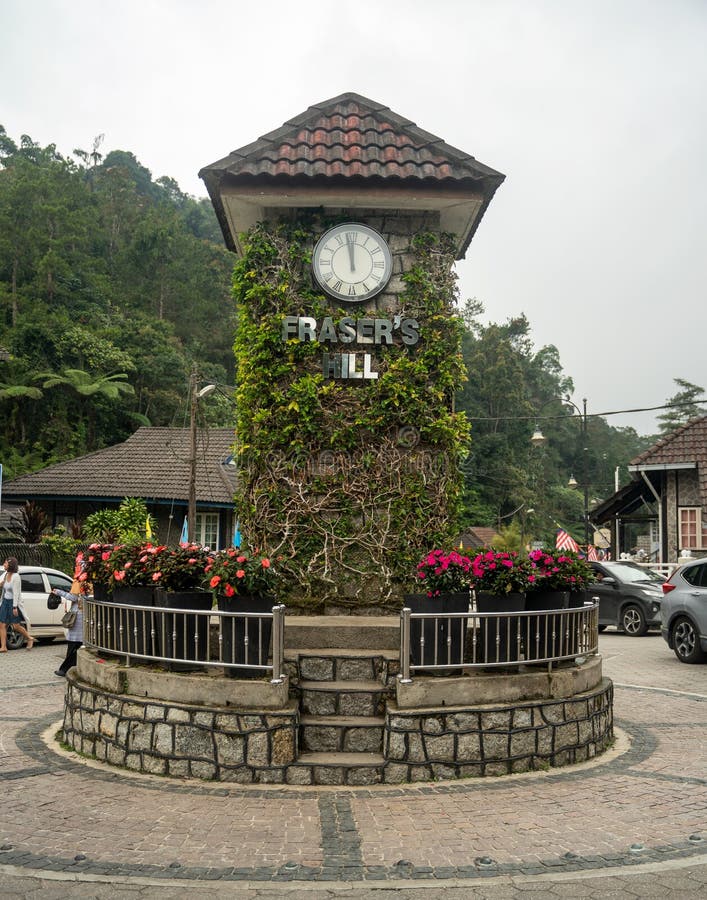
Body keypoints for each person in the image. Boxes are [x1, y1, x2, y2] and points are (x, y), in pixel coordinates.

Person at [51, 578, 85, 676]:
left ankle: (65, 669)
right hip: (83, 614)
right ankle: (67, 669)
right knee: (77, 644)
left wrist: (59, 592)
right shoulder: (89, 580)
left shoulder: (79, 581)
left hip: (78, 615)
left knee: (73, 644)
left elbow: (73, 597)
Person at [0, 557, 35, 652]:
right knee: (2, 624)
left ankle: (29, 638)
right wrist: (1, 585)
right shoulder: (6, 574)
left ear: (10, 565)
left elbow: (16, 593)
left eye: (5, 563)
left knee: (15, 626)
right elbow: (4, 588)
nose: (4, 564)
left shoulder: (16, 577)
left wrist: (14, 607)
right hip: (5, 602)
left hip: (13, 603)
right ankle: (3, 647)